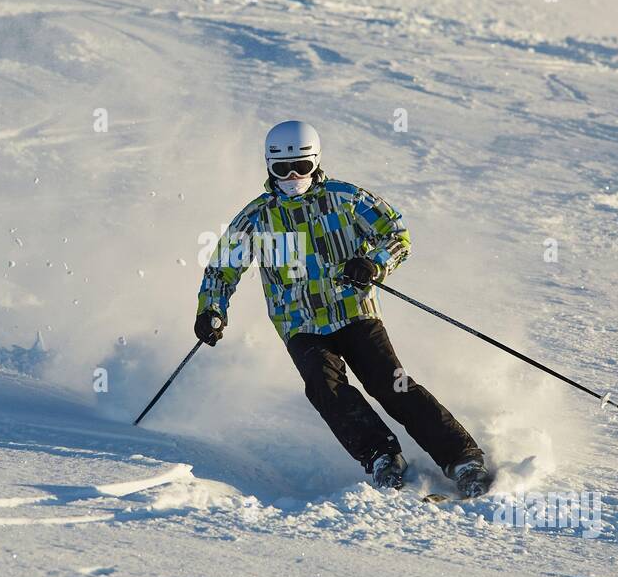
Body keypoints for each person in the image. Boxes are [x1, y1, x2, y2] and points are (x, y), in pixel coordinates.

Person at [194, 120, 492, 497]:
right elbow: (222, 267)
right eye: (281, 169)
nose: (292, 176)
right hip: (299, 323)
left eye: (301, 167)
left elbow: (396, 233)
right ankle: (382, 456)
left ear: (315, 162)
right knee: (325, 388)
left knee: (390, 383)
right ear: (268, 167)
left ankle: (462, 458)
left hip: (354, 311)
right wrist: (211, 310)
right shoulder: (256, 218)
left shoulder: (345, 199)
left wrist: (373, 263)